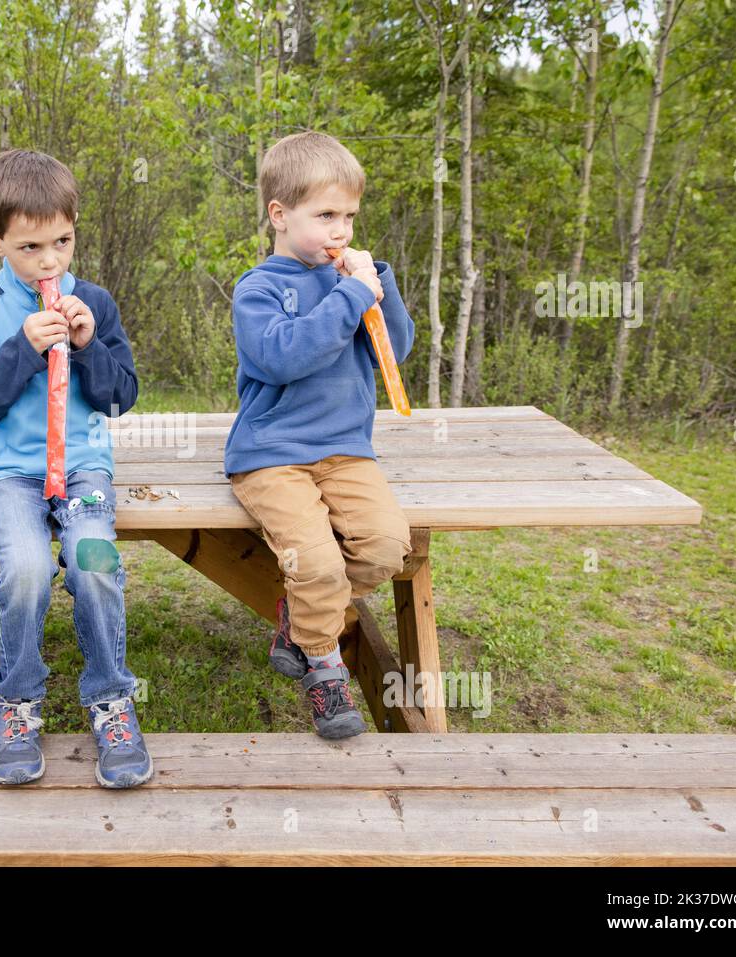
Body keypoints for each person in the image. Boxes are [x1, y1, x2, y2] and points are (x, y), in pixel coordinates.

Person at [0, 149, 151, 787]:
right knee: (27, 567)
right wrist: (21, 351)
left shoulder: (96, 302)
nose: (51, 261)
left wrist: (88, 348)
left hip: (84, 466)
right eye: (31, 247)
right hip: (10, 469)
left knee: (95, 562)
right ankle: (18, 700)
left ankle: (111, 699)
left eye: (62, 241)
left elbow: (121, 398)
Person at [224, 131, 416, 738]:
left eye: (350, 217)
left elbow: (397, 353)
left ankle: (299, 621)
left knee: (388, 546)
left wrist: (378, 287)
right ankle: (326, 669)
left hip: (346, 452)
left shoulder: (353, 281)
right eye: (326, 215)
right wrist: (351, 295)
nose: (341, 231)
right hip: (272, 456)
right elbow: (283, 356)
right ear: (280, 215)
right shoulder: (258, 290)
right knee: (318, 562)